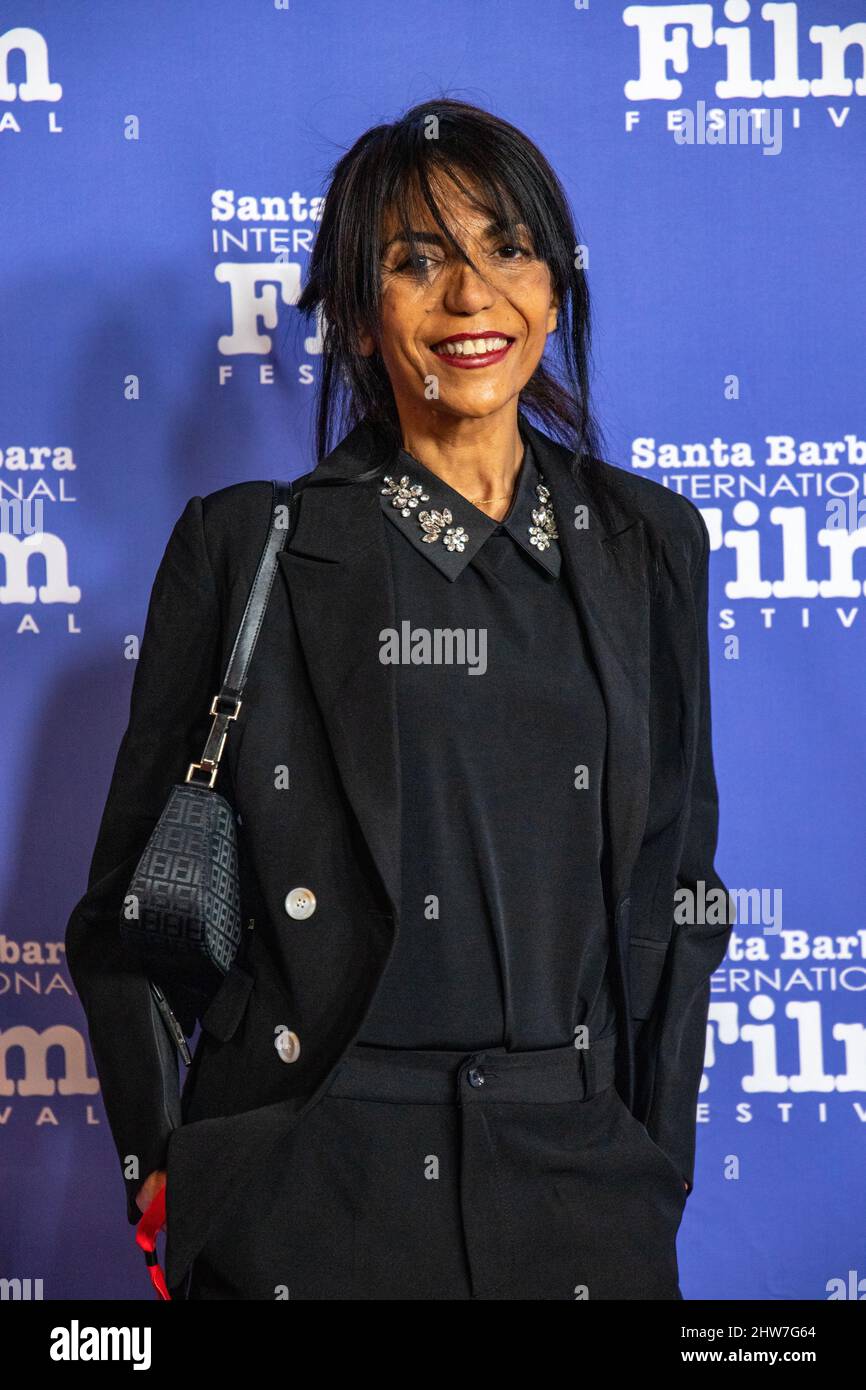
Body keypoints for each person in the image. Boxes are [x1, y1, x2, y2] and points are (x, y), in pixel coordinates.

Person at [66, 98, 732, 1301]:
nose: (469, 296)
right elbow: (119, 915)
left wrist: (654, 1164)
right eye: (414, 262)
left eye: (505, 248)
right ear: (360, 322)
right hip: (308, 1192)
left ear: (551, 284)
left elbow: (676, 893)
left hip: (578, 1193)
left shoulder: (650, 547)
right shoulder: (245, 545)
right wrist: (157, 1167)